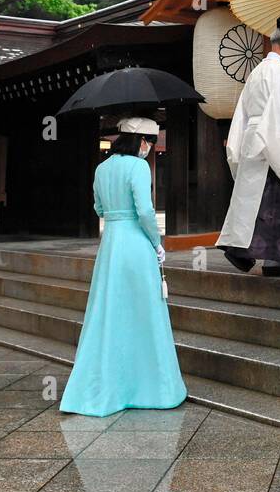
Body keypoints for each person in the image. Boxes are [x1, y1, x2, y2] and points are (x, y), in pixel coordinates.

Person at [60, 117, 187, 416]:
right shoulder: (139, 167)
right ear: (141, 141)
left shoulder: (102, 168)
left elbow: (99, 208)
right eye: (150, 142)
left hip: (111, 244)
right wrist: (157, 242)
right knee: (143, 310)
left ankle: (105, 386)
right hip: (135, 244)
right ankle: (150, 386)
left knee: (108, 309)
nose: (151, 148)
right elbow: (144, 210)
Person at [217, 12, 280, 277]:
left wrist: (238, 147)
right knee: (279, 203)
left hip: (253, 140)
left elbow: (243, 113)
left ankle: (241, 251)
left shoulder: (257, 71)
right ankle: (278, 261)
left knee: (254, 203)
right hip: (276, 142)